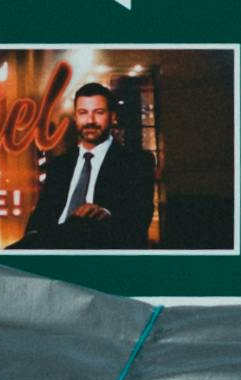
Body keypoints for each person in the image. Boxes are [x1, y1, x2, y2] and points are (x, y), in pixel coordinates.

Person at [26, 75, 154, 250]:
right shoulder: (59, 165)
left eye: (99, 112)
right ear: (75, 118)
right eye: (83, 112)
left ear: (113, 117)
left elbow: (139, 219)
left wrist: (106, 214)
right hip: (54, 247)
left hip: (102, 247)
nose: (90, 121)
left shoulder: (136, 162)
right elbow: (41, 216)